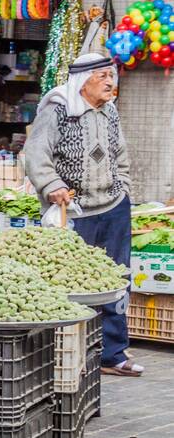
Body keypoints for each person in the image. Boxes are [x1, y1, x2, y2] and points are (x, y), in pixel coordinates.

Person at [23, 53, 140, 377]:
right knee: (70, 281)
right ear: (82, 80)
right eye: (102, 76)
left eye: (111, 76)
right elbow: (35, 153)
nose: (109, 82)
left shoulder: (110, 111)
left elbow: (120, 154)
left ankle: (113, 354)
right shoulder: (59, 108)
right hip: (73, 210)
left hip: (113, 206)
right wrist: (51, 185)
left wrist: (124, 188)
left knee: (116, 279)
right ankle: (64, 353)